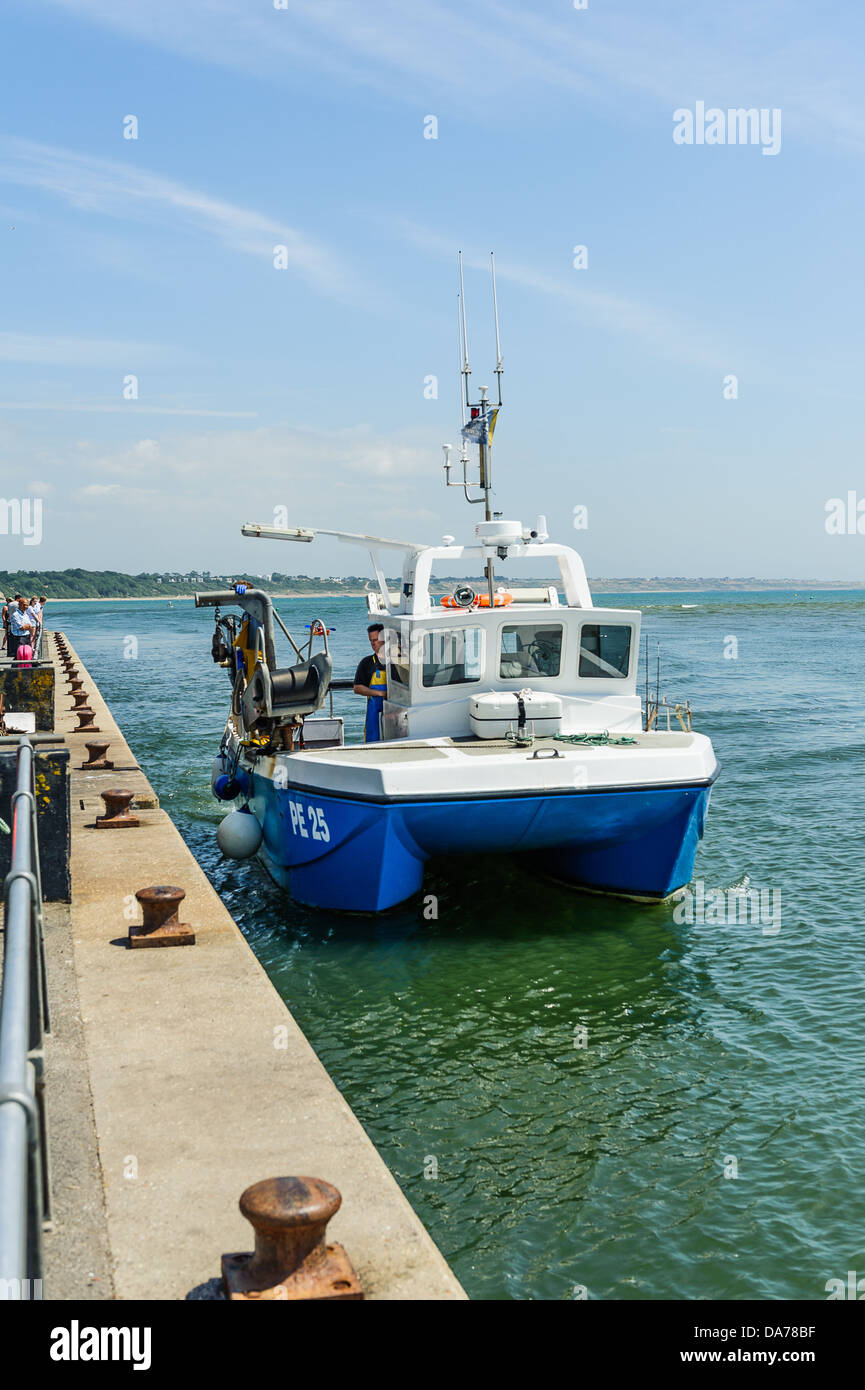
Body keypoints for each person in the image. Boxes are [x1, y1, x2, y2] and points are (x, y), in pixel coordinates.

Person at [353, 623, 388, 742]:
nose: (373, 644)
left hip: (394, 713)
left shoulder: (396, 661)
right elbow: (357, 688)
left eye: (376, 640)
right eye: (371, 641)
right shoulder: (366, 663)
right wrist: (380, 693)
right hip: (374, 715)